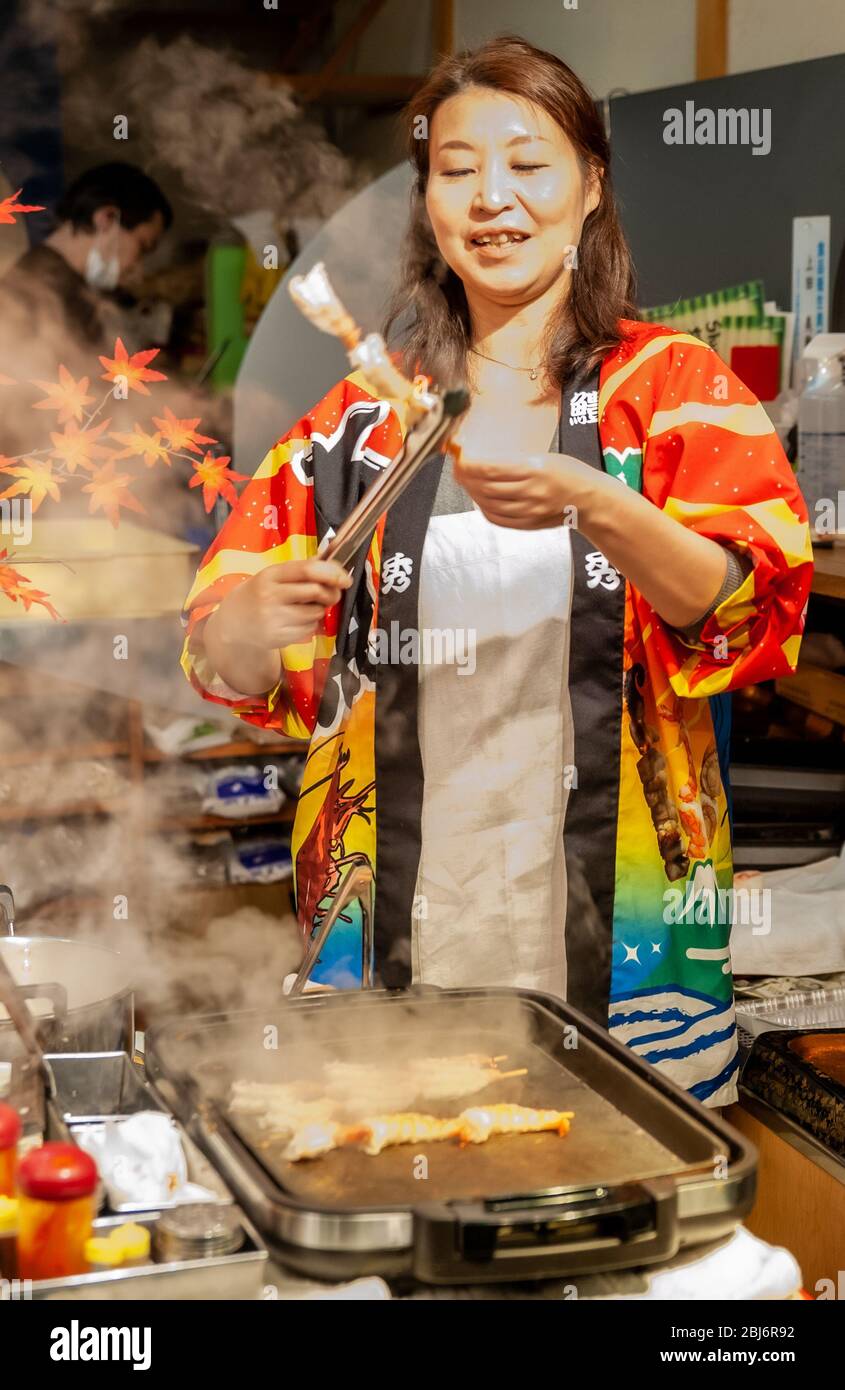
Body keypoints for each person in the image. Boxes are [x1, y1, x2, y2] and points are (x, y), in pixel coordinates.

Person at [179, 36, 811, 1108]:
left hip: (624, 928)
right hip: (391, 906)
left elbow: (745, 607)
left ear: (590, 184)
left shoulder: (671, 389)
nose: (491, 198)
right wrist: (250, 614)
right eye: (456, 168)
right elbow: (218, 652)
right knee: (403, 1200)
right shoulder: (363, 422)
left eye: (527, 163)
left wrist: (600, 503)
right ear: (426, 201)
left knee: (627, 1218)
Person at [0, 161, 172, 379]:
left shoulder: (55, 282)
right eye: (143, 246)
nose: (137, 269)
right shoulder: (43, 291)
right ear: (107, 219)